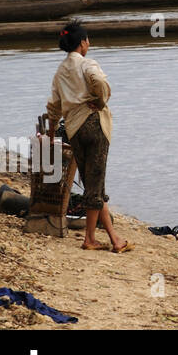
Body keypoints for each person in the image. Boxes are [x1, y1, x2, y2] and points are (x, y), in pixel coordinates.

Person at [45, 21, 131, 252]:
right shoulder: (86, 64)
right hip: (93, 124)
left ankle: (115, 238)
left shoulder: (60, 71)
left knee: (93, 182)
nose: (89, 43)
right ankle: (89, 239)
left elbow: (53, 105)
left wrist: (52, 132)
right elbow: (100, 82)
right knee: (95, 182)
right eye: (87, 40)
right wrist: (101, 100)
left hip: (73, 129)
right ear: (83, 43)